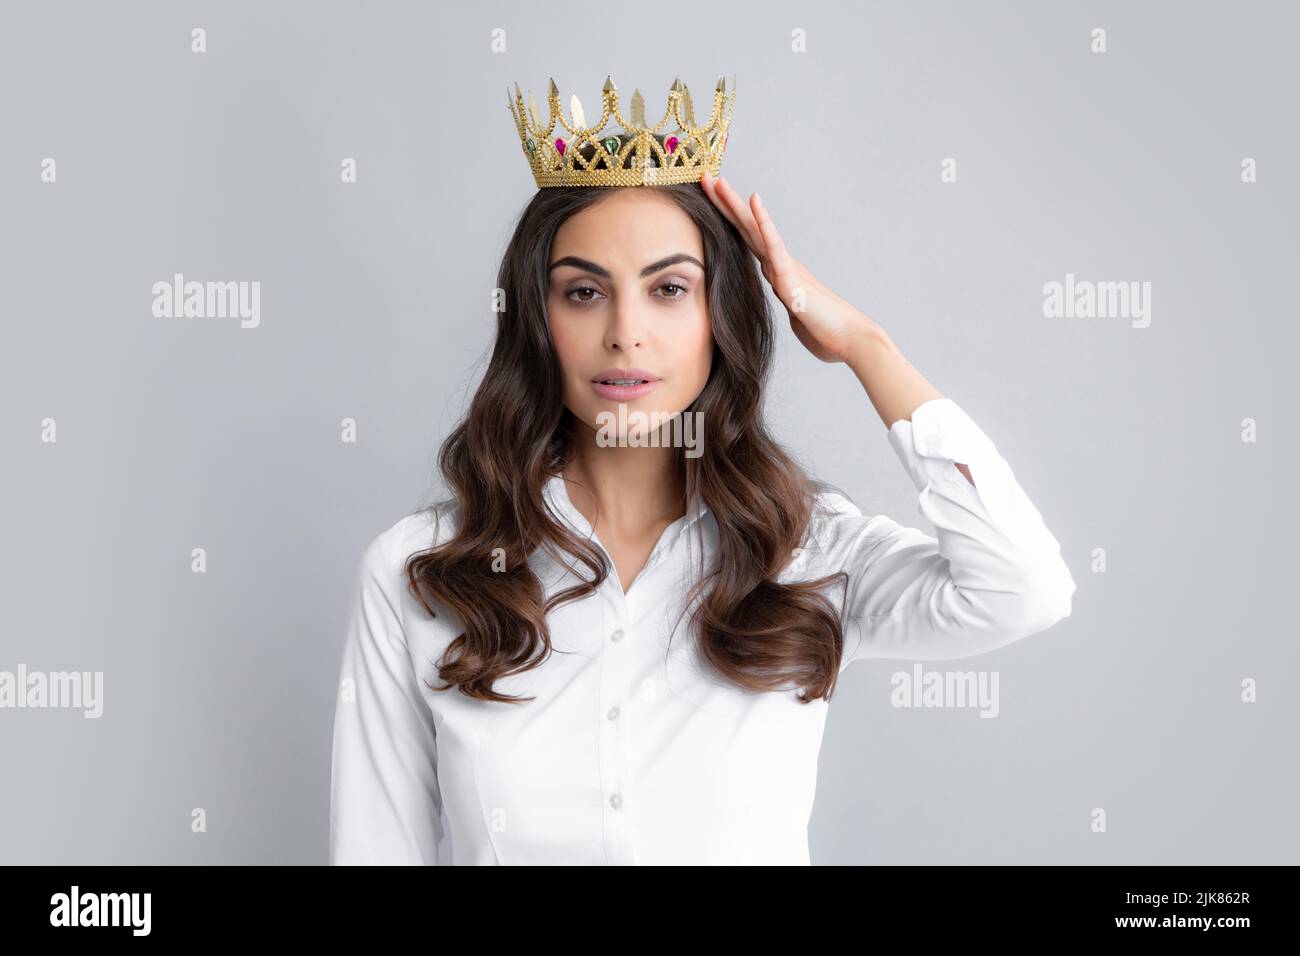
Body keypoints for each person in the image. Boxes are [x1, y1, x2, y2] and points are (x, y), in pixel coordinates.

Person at [329, 77, 1076, 865]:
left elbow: (1020, 590)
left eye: (670, 290)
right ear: (536, 320)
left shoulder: (807, 552)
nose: (626, 333)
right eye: (583, 292)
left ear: (721, 315)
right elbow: (376, 847)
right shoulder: (418, 574)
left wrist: (865, 345)